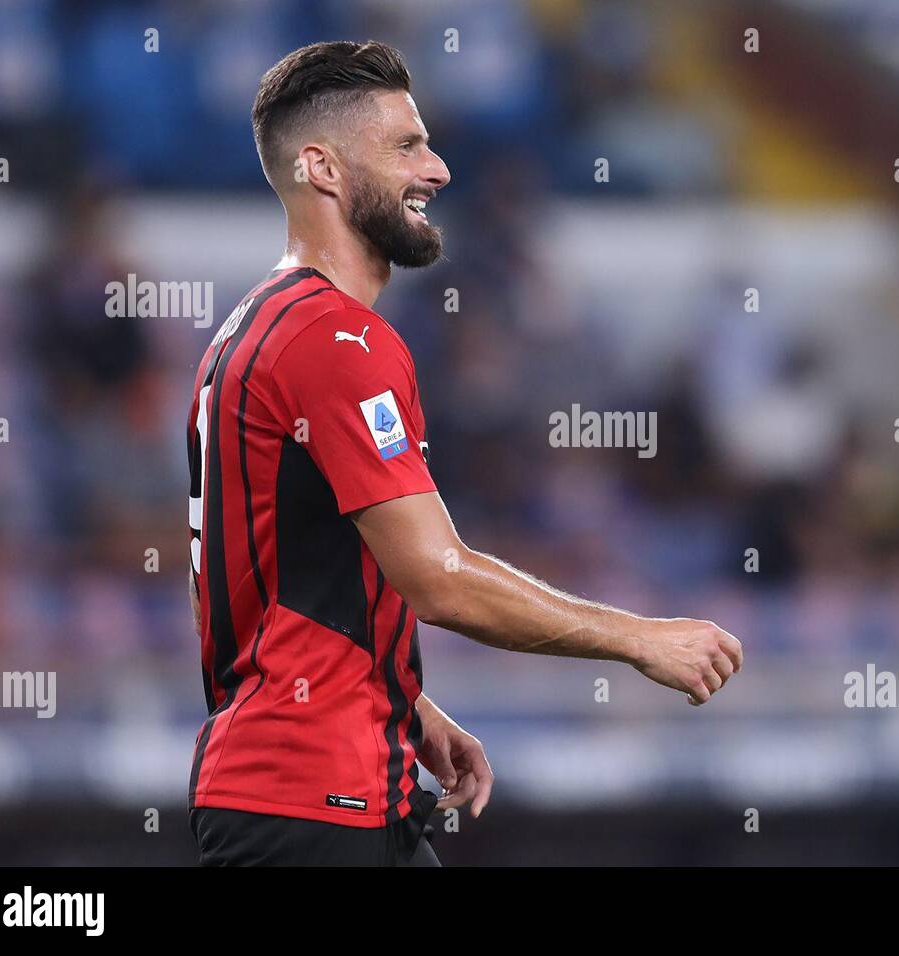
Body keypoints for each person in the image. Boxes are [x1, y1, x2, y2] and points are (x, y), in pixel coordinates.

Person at [185, 40, 743, 866]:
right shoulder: (334, 339)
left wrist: (403, 704)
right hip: (311, 803)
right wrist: (638, 637)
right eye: (406, 146)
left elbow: (289, 576)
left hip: (324, 783)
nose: (438, 169)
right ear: (323, 168)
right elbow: (438, 579)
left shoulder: (250, 326)